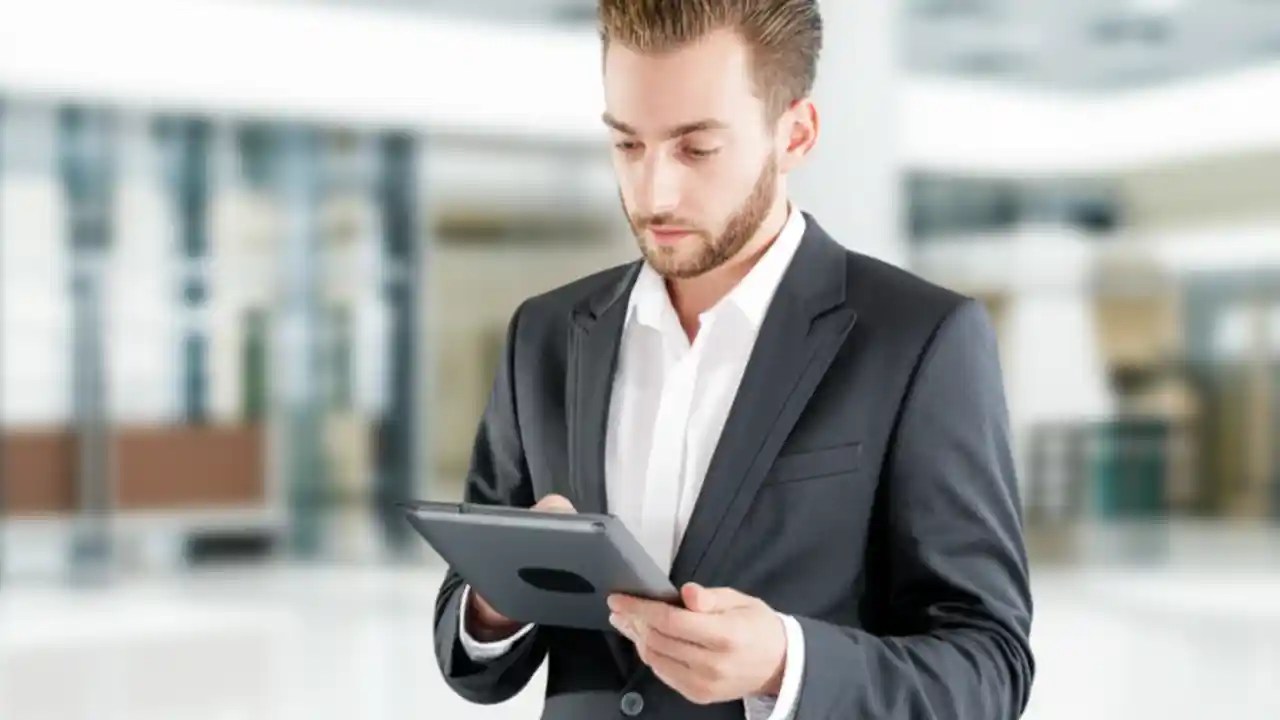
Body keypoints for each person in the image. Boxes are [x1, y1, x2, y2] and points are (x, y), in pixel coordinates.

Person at [433, 1, 1034, 718]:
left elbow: (989, 667)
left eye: (696, 149)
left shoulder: (921, 339)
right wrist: (495, 602)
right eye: (628, 144)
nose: (654, 192)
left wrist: (786, 663)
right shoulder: (546, 333)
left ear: (795, 134)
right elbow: (471, 661)